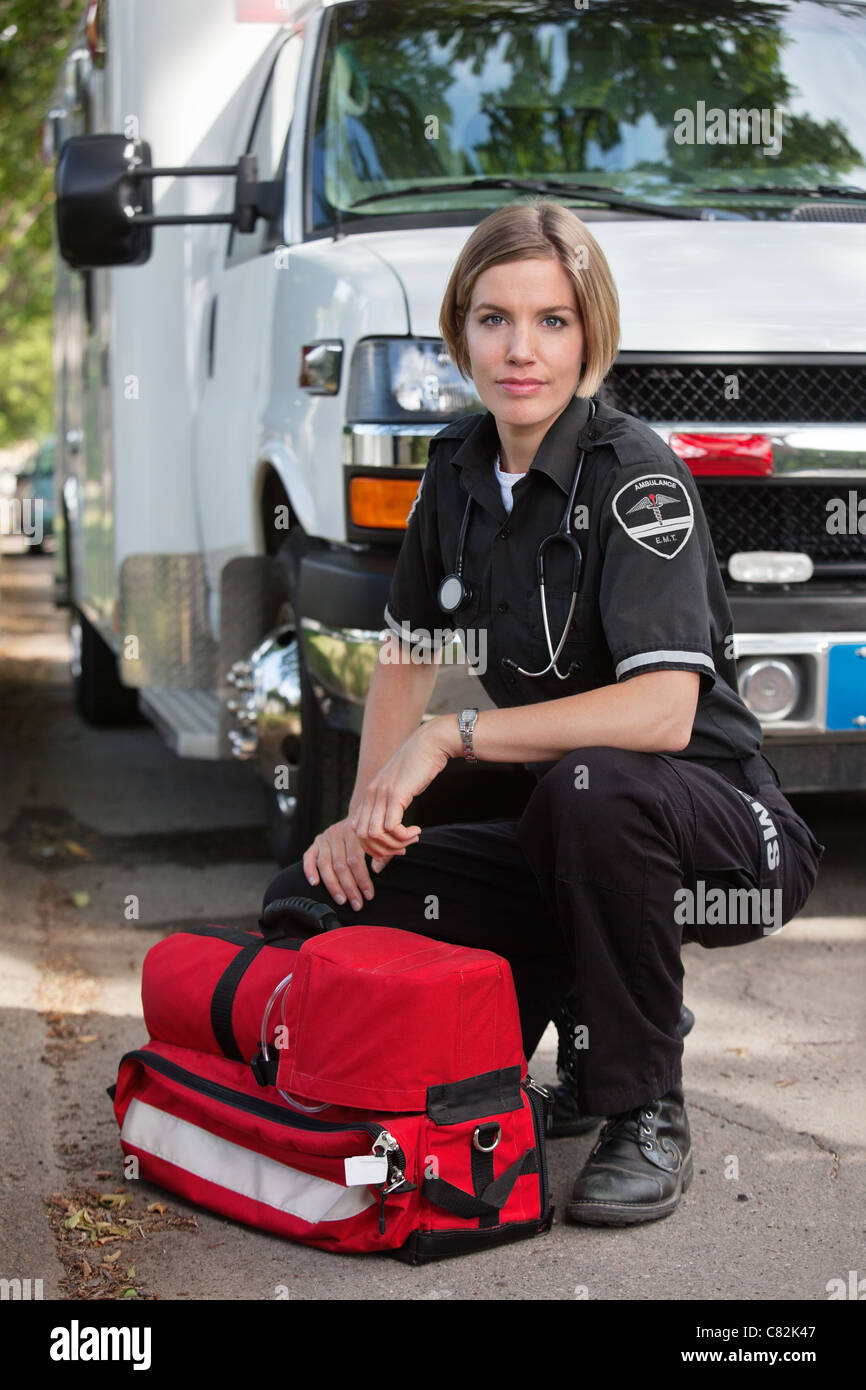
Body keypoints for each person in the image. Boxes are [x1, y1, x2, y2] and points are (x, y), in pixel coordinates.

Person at [262, 199, 825, 1226]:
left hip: (722, 831)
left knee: (584, 786)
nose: (520, 350)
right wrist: (358, 819)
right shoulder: (454, 470)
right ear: (458, 333)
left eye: (551, 321)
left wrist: (450, 733)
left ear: (588, 334)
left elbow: (659, 713)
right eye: (493, 319)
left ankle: (641, 1098)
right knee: (319, 892)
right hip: (565, 824)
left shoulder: (635, 479)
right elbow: (405, 651)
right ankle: (504, 1056)